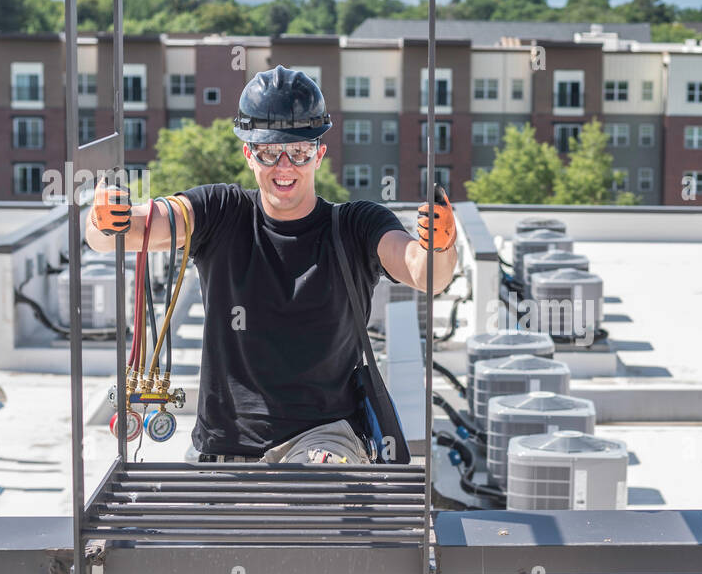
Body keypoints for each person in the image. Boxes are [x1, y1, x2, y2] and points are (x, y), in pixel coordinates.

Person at [86, 64, 458, 463]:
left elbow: (422, 272)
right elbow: (127, 232)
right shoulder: (221, 212)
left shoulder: (355, 226)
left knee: (316, 498)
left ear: (319, 154)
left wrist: (439, 244)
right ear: (249, 154)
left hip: (324, 440)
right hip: (223, 450)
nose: (285, 166)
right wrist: (104, 218)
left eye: (299, 151)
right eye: (269, 152)